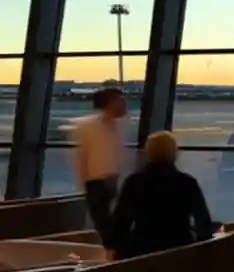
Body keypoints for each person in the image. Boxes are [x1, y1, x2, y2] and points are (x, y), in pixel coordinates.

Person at [110, 131, 215, 260]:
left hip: (143, 251)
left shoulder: (134, 183)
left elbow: (120, 224)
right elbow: (203, 221)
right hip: (180, 249)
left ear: (148, 153)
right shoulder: (187, 183)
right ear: (175, 153)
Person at [70, 87, 129, 249]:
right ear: (110, 104)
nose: (125, 105)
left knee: (110, 222)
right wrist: (86, 181)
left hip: (112, 180)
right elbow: (82, 156)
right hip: (97, 181)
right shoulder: (89, 127)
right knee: (104, 223)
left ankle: (114, 252)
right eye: (121, 101)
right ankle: (113, 253)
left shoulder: (118, 127)